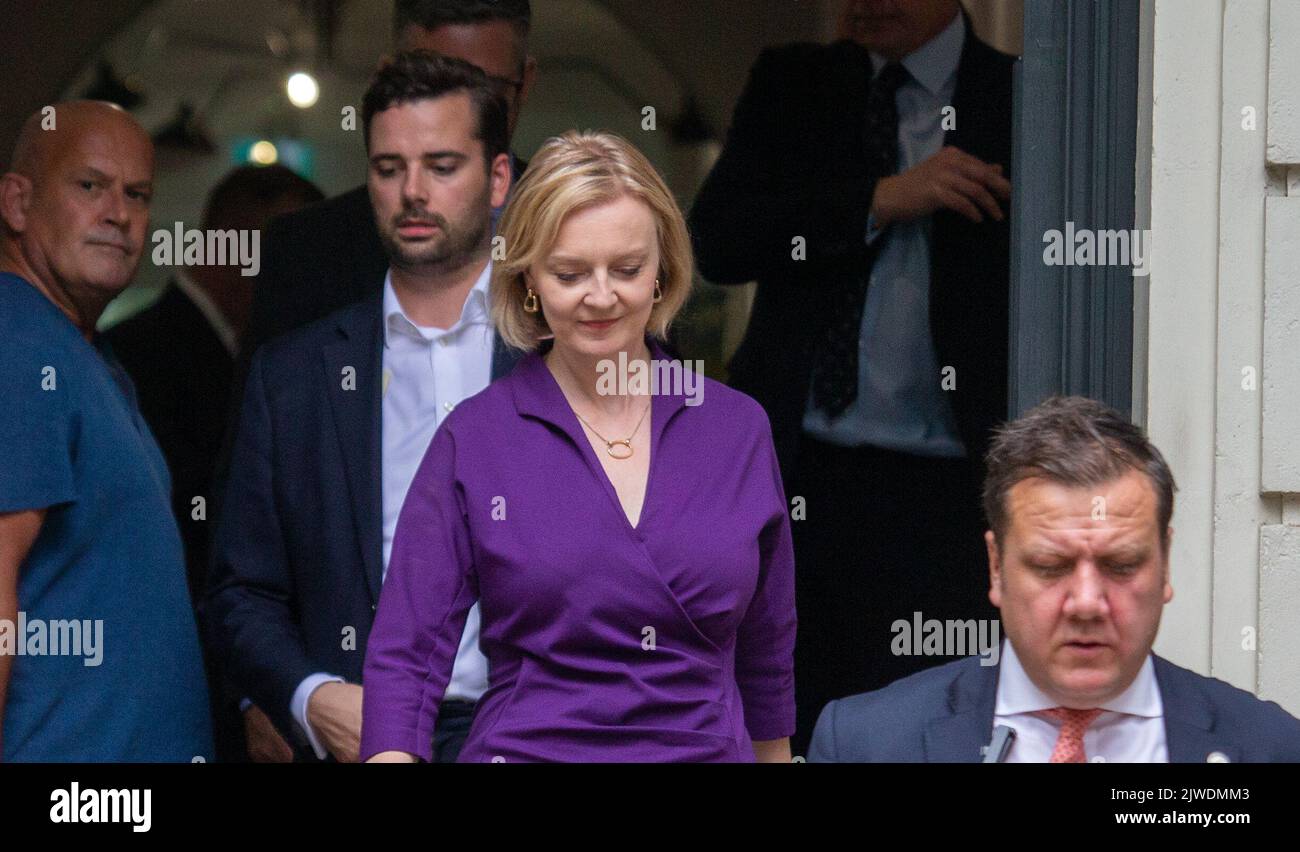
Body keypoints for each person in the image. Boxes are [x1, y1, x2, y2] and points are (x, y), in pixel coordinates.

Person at [360, 130, 797, 764]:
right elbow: (407, 655)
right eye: (569, 273)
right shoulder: (476, 439)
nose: (600, 296)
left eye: (627, 269)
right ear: (528, 277)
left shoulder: (736, 429)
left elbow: (767, 654)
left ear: (663, 271)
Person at [688, 0, 1014, 753]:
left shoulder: (1015, 91)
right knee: (783, 717)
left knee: (932, 726)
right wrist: (878, 201)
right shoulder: (796, 81)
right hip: (801, 474)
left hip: (951, 492)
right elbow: (718, 239)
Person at [204, 52, 517, 763]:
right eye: (387, 168)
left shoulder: (562, 351)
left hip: (536, 737)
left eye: (442, 166)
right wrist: (309, 696)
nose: (412, 191)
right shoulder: (293, 376)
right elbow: (239, 590)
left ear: (497, 178)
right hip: (358, 736)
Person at [809, 396, 1300, 762]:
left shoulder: (1268, 748)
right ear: (996, 568)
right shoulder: (867, 745)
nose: (1087, 603)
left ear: (1165, 563)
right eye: (1050, 567)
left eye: (1122, 565)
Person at [0, 101, 212, 761]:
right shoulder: (16, 340)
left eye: (137, 195)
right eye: (90, 186)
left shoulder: (82, 353)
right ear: (17, 201)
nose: (118, 213)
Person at [106, 164, 323, 763]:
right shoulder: (139, 360)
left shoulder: (247, 358)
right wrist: (250, 693)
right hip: (179, 701)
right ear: (238, 249)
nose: (310, 280)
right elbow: (185, 552)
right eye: (298, 255)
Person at [242, 0, 536, 355]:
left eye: (487, 91)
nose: (455, 114)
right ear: (386, 78)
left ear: (525, 84)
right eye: (429, 86)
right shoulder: (306, 252)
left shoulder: (574, 230)